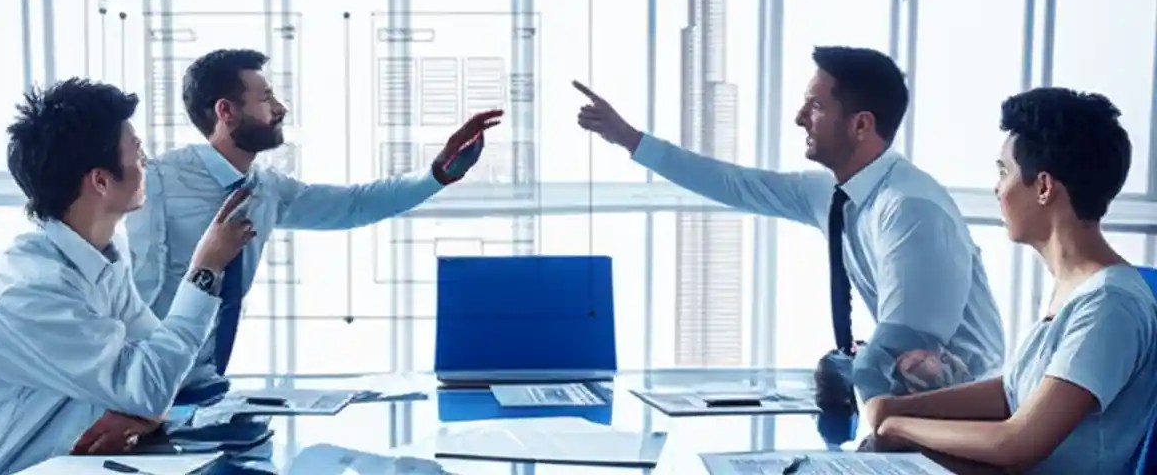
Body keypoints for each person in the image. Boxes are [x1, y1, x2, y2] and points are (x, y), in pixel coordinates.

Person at [574, 45, 1004, 403]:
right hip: (907, 402)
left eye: (815, 106)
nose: (800, 117)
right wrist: (629, 139)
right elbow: (734, 184)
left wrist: (852, 374)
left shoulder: (911, 209)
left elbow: (911, 352)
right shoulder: (834, 195)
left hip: (963, 415)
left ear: (861, 125)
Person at [0, 79, 254, 474]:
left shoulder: (102, 256)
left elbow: (162, 368)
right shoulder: (31, 290)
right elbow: (152, 383)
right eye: (137, 153)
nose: (147, 164)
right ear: (101, 181)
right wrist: (205, 269)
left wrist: (144, 412)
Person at [127, 48, 501, 398]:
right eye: (266, 98)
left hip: (207, 390)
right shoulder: (153, 183)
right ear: (226, 111)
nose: (280, 108)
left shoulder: (266, 190)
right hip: (143, 389)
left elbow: (354, 205)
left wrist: (436, 174)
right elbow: (124, 291)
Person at [865, 87, 1157, 473]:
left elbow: (1017, 443)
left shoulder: (1109, 306)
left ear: (1044, 187)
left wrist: (901, 426)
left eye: (1004, 172)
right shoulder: (1077, 289)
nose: (997, 189)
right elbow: (1013, 393)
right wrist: (899, 406)